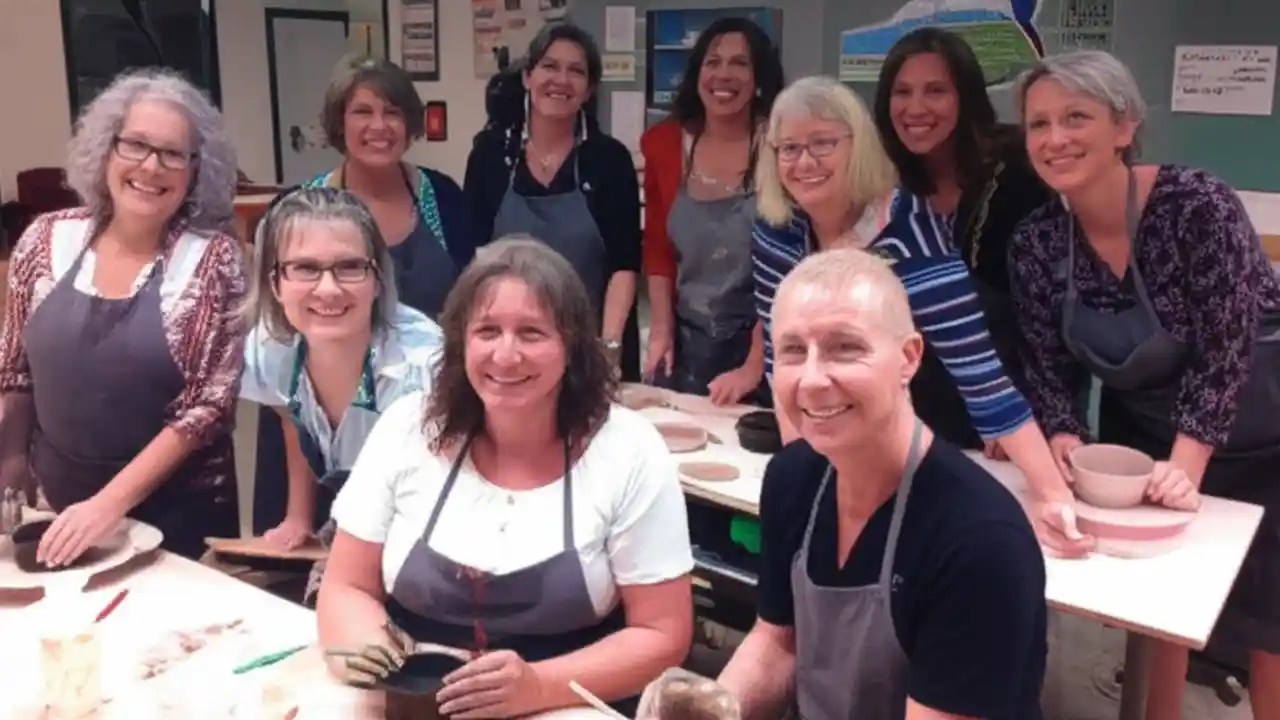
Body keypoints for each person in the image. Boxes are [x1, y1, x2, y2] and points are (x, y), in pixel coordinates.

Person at [1010, 50, 1280, 719]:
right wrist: (1064, 434)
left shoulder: (1197, 207)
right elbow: (1047, 363)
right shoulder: (1037, 242)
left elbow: (1225, 351)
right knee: (1161, 609)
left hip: (1260, 424)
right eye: (1039, 123)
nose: (1054, 138)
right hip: (1145, 433)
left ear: (1125, 125)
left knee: (1270, 616)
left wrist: (1186, 467)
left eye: (1076, 117)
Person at [316, 238, 693, 717]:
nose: (506, 355)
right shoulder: (408, 427)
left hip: (563, 702)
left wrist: (538, 686)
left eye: (532, 333)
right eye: (487, 331)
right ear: (460, 342)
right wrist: (367, 643)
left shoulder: (628, 450)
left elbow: (663, 632)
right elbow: (345, 586)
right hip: (416, 698)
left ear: (573, 346)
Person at [752, 75, 1087, 556]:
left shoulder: (910, 235)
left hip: (922, 423)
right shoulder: (776, 227)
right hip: (831, 422)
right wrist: (801, 473)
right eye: (788, 148)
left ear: (858, 146)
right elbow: (779, 358)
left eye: (823, 143)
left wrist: (1051, 492)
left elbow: (981, 375)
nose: (804, 162)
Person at [718, 248, 1048, 720]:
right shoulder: (792, 478)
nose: (811, 380)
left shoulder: (980, 541)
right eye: (792, 350)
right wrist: (709, 710)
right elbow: (777, 644)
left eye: (844, 348)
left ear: (909, 357)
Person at [0, 68, 246, 563]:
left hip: (179, 515)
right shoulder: (44, 239)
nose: (151, 167)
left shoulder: (214, 261)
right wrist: (10, 469)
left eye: (173, 154)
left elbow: (207, 410)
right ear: (106, 150)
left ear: (196, 171)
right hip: (57, 509)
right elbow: (15, 372)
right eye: (135, 145)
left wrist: (107, 505)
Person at [873, 27, 1052, 455]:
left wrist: (1027, 420)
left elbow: (1046, 316)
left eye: (935, 90)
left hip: (1008, 409)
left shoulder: (1019, 172)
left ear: (966, 97)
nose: (916, 108)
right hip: (911, 412)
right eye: (902, 92)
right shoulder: (881, 180)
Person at [239, 188, 442, 559]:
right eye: (305, 268)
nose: (328, 289)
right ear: (275, 284)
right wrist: (298, 517)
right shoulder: (269, 346)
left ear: (378, 279)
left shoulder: (424, 365)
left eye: (350, 267)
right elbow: (291, 417)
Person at [464, 23, 641, 380]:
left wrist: (609, 349)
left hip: (590, 350)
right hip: (510, 351)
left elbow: (624, 265)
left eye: (576, 71)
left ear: (589, 89)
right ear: (528, 77)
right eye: (550, 66)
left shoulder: (609, 160)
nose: (561, 80)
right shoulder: (491, 155)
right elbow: (473, 259)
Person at [640, 17, 783, 405]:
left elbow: (790, 263)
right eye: (713, 62)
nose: (724, 74)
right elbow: (658, 248)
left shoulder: (781, 146)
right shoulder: (664, 144)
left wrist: (755, 364)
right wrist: (661, 332)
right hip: (688, 342)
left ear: (759, 78)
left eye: (740, 63)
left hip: (768, 343)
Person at [305, 55, 474, 320]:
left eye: (392, 113)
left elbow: (474, 297)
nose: (379, 126)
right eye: (363, 112)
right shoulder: (304, 209)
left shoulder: (444, 196)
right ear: (340, 123)